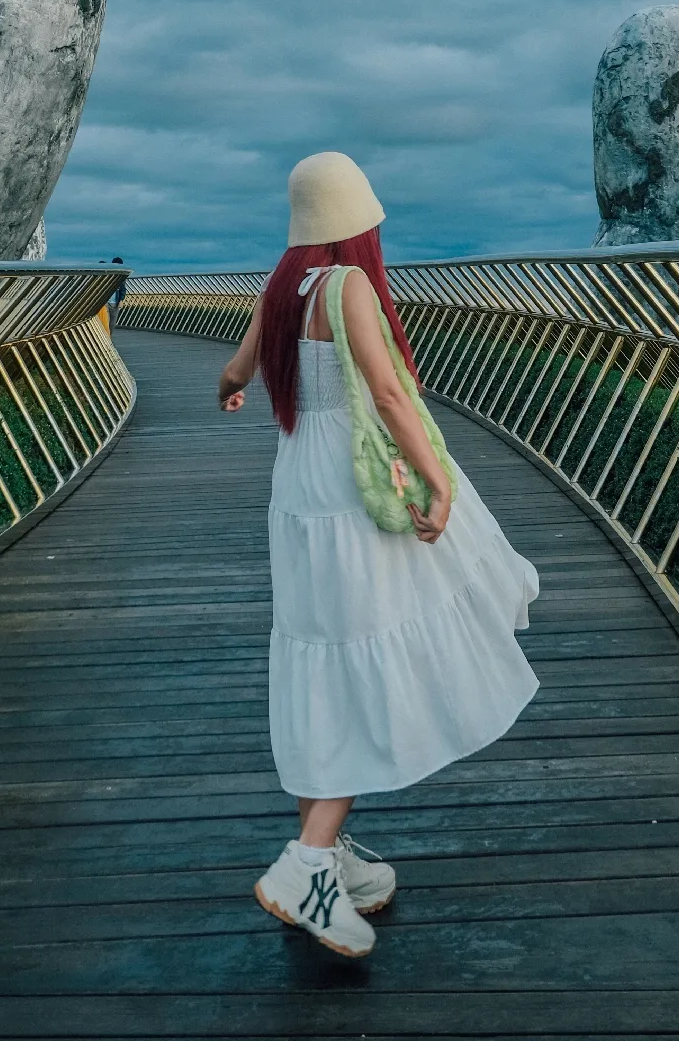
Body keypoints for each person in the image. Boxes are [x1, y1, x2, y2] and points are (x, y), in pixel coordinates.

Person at [217, 151, 539, 958]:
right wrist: (440, 482)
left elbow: (235, 370)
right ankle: (305, 865)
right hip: (352, 489)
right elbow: (390, 394)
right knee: (366, 652)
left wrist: (229, 390)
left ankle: (332, 861)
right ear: (357, 220)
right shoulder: (349, 285)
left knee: (325, 658)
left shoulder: (280, 287)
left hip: (299, 488)